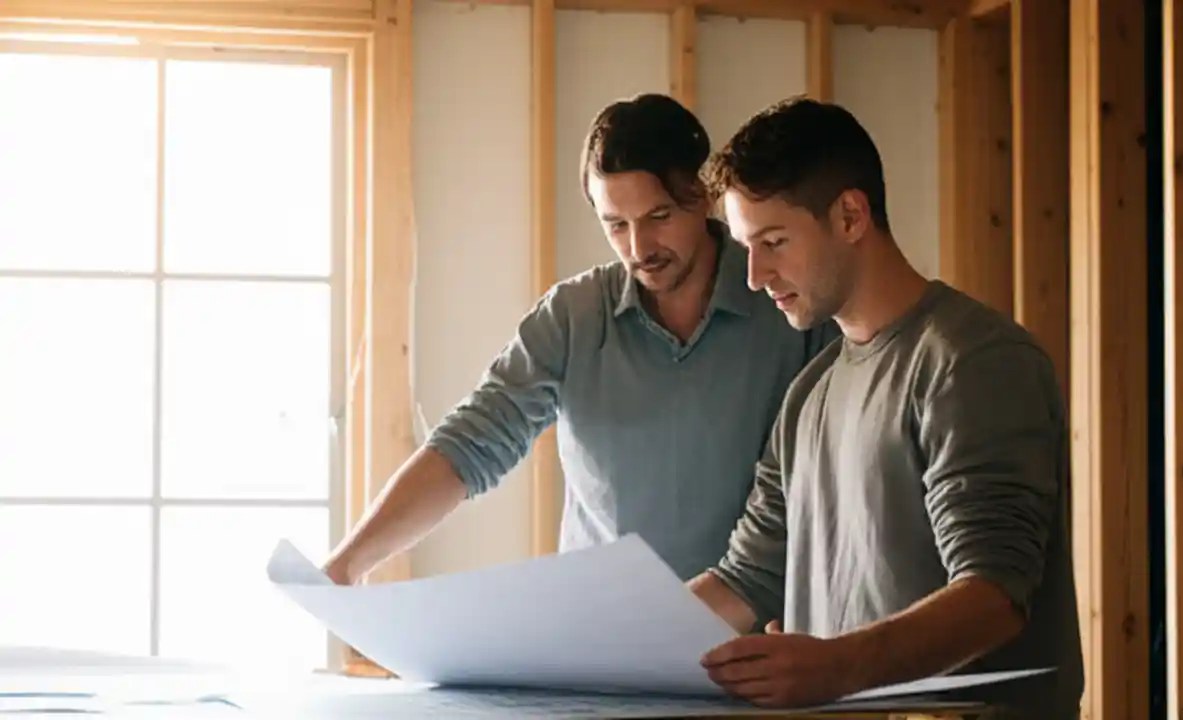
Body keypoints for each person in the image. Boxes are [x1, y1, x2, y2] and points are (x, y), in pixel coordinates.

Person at [323, 93, 837, 586]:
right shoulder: (574, 316)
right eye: (615, 225)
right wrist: (347, 565)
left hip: (754, 647)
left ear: (702, 197)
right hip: (600, 644)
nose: (639, 248)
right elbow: (469, 443)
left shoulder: (786, 306)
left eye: (658, 217)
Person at [687, 97, 1084, 718]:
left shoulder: (974, 361)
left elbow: (994, 593)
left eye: (774, 242)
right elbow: (746, 580)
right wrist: (597, 655)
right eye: (747, 247)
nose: (756, 276)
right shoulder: (809, 394)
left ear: (850, 215)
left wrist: (836, 668)